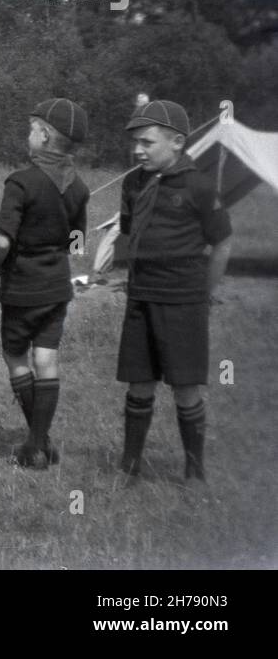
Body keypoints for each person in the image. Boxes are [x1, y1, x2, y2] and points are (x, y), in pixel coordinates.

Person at [116, 100, 231, 483]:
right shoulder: (134, 183)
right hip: (141, 296)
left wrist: (203, 294)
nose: (138, 150)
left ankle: (194, 471)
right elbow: (129, 232)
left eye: (148, 142)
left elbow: (222, 244)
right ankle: (130, 464)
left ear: (178, 142)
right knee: (139, 381)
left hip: (183, 301)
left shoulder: (199, 186)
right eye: (136, 142)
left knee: (185, 386)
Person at [0, 99, 90, 468]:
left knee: (15, 357)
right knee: (46, 358)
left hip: (21, 286)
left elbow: (3, 241)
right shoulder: (79, 187)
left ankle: (36, 443)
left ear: (45, 135)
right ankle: (39, 445)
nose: (28, 134)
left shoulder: (20, 182)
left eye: (32, 128)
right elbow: (78, 242)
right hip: (58, 286)